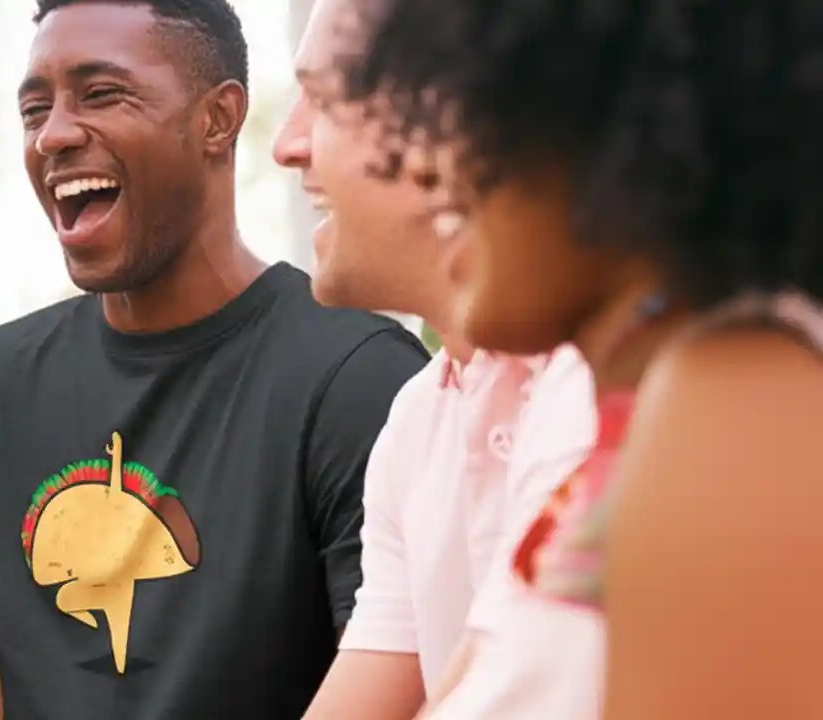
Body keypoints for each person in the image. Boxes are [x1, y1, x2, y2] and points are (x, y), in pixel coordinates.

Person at [0, 1, 428, 718]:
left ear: (218, 120)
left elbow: (406, 679)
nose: (55, 135)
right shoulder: (3, 379)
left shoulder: (356, 377)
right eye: (35, 109)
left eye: (100, 94)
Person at [345, 1, 823, 717]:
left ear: (623, 130)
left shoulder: (736, 392)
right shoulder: (684, 406)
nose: (422, 161)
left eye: (483, 104)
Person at [271, 1, 598, 717]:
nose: (287, 145)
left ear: (456, 116)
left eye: (322, 99)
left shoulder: (605, 385)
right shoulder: (419, 421)